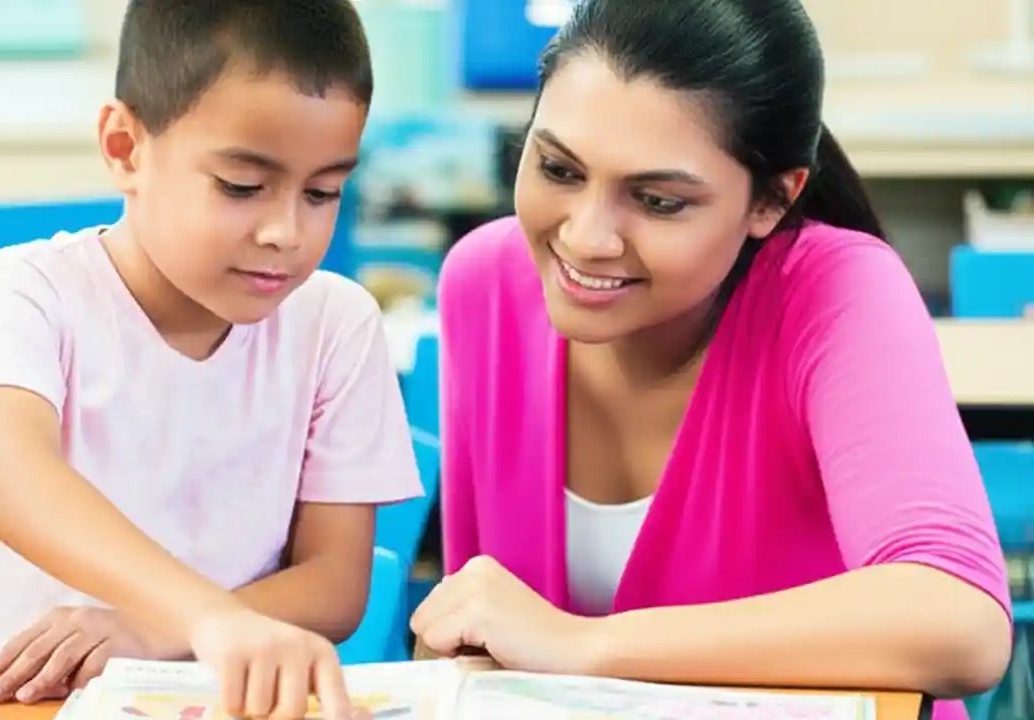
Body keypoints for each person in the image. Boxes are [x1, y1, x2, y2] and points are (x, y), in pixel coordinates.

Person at [411, 1, 1011, 718]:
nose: (587, 236)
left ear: (771, 200)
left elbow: (960, 621)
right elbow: (483, 646)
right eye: (558, 168)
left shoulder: (834, 291)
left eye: (659, 201)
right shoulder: (487, 283)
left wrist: (587, 644)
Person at [0, 2, 421, 718]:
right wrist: (208, 619)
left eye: (323, 192)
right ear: (125, 147)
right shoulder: (17, 293)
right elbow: (17, 486)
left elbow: (336, 583)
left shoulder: (334, 323)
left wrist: (149, 628)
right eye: (242, 187)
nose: (286, 231)